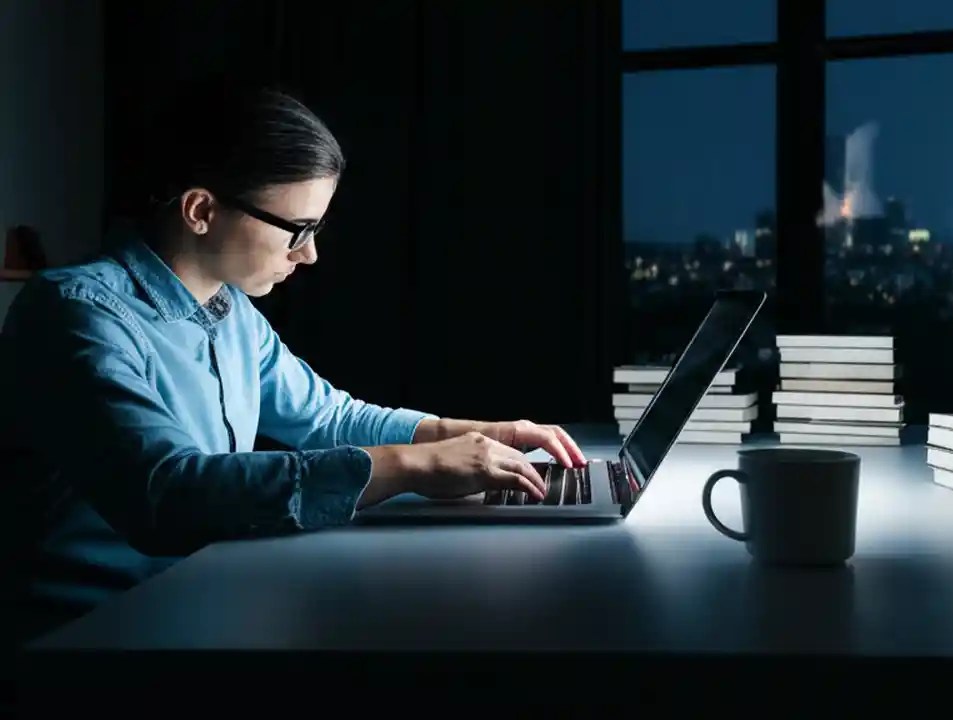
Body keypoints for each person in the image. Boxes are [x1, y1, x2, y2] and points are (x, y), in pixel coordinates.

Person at [1, 84, 588, 647]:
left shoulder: (230, 311)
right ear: (201, 209)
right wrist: (413, 463)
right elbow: (167, 492)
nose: (309, 254)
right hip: (86, 638)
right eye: (297, 230)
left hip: (192, 598)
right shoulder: (75, 314)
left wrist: (479, 435)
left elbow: (328, 418)